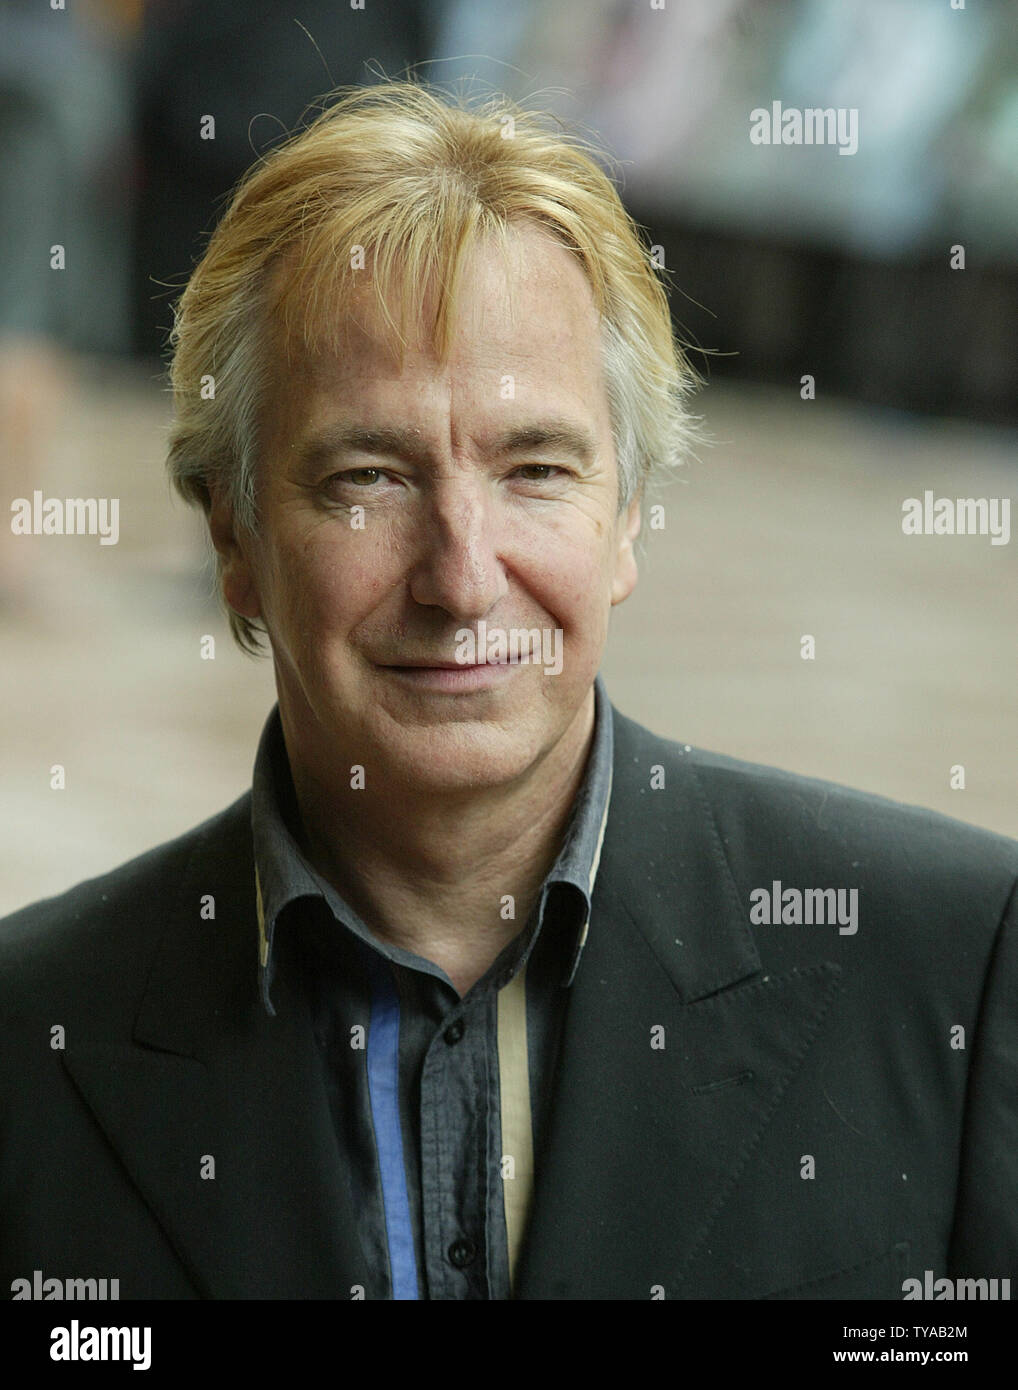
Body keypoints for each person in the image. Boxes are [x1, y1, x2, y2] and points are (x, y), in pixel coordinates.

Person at [1, 80, 1015, 1302]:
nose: (462, 578)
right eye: (367, 476)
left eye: (536, 469)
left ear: (628, 515)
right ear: (232, 533)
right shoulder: (30, 1038)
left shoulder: (952, 963)